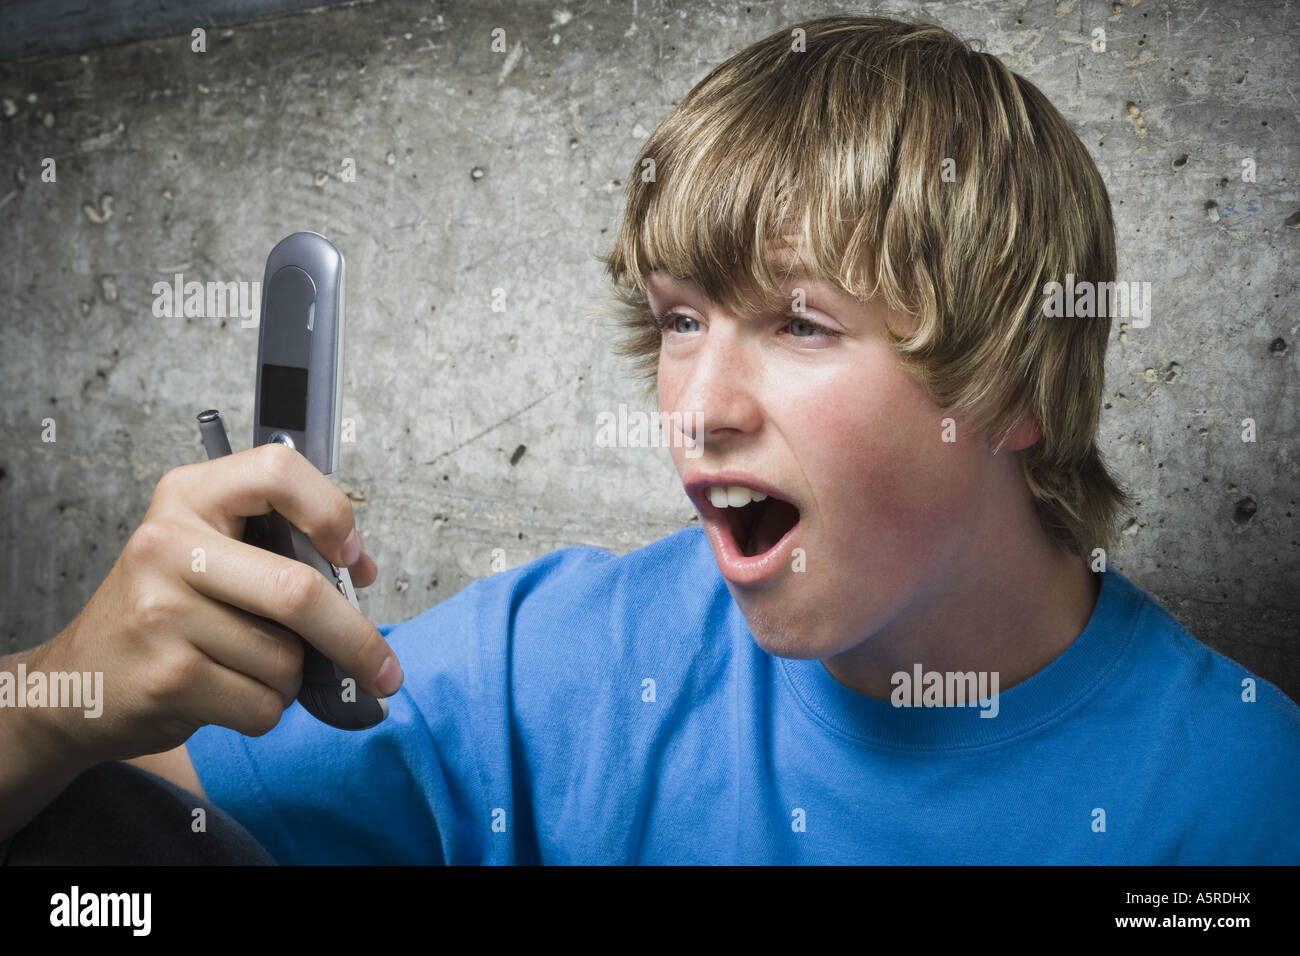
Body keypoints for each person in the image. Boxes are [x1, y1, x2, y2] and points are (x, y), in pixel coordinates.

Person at [3, 14, 1297, 864]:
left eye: (800, 323)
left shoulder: (1241, 804)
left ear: (1015, 384)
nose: (701, 403)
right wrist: (57, 694)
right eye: (683, 318)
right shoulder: (564, 666)